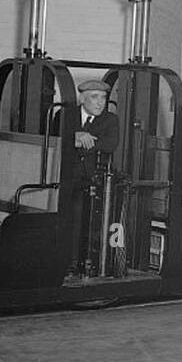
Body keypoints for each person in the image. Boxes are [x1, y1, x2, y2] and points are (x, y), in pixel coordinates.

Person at [68, 79, 120, 275]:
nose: (100, 102)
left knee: (81, 221)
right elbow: (56, 138)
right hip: (65, 179)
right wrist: (73, 137)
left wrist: (79, 140)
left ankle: (77, 264)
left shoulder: (110, 120)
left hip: (93, 182)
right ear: (82, 99)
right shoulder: (65, 115)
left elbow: (110, 144)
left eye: (104, 98)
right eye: (94, 97)